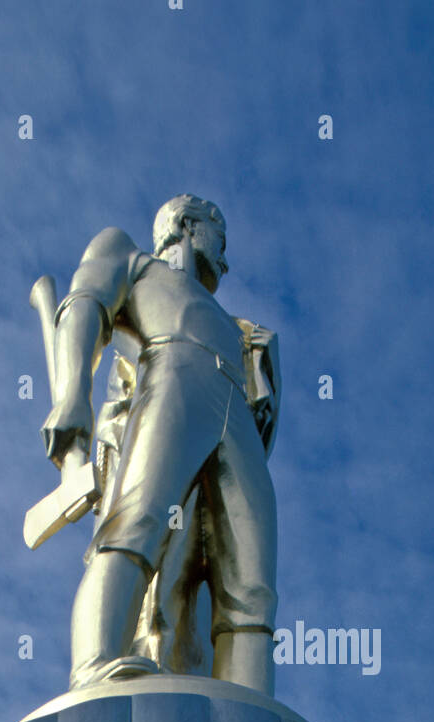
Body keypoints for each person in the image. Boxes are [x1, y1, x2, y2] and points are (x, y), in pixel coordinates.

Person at [41, 194, 280, 695]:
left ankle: (248, 704)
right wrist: (72, 400)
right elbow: (84, 306)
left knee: (251, 581)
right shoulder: (131, 258)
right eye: (221, 237)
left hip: (232, 407)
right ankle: (95, 664)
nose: (226, 258)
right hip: (171, 375)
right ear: (190, 225)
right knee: (136, 521)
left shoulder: (244, 334)